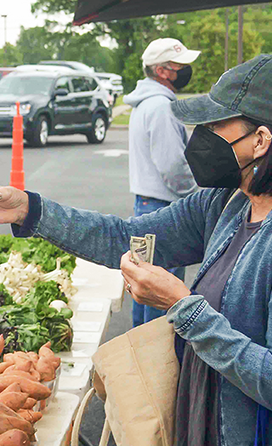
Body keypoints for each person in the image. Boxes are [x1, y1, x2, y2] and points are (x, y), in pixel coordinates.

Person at [0, 54, 272, 446]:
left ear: (261, 140)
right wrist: (28, 210)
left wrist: (186, 310)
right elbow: (122, 237)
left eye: (217, 126)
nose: (202, 136)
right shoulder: (227, 201)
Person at [123, 38, 201, 327]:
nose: (186, 70)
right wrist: (195, 197)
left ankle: (141, 364)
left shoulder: (146, 104)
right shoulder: (161, 107)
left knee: (146, 291)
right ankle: (157, 367)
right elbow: (172, 166)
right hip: (165, 208)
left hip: (147, 205)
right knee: (161, 297)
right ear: (164, 71)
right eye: (182, 66)